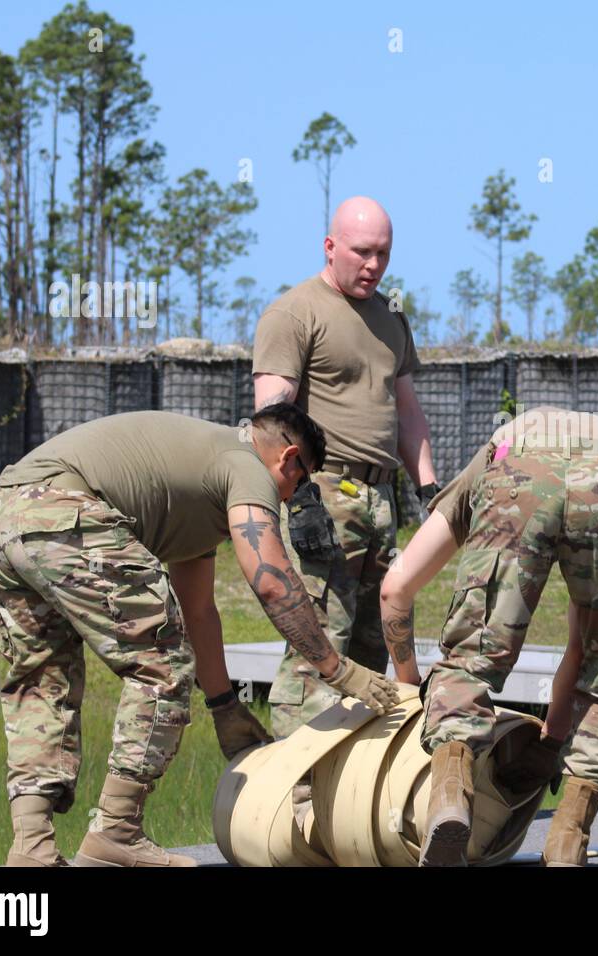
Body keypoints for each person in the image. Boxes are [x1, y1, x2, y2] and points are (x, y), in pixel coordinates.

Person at [0, 403, 398, 868]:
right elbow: (273, 581)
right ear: (289, 457)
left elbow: (199, 612)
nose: (287, 501)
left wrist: (224, 707)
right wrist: (338, 671)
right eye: (299, 484)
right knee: (162, 665)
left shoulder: (199, 490)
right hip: (64, 512)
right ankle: (116, 831)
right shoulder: (247, 464)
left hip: (4, 517)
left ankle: (32, 849)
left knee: (42, 679)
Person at [379, 405, 598, 866]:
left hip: (517, 472)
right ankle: (567, 842)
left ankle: (450, 800)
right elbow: (581, 647)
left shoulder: (490, 461)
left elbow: (395, 588)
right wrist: (552, 740)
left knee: (470, 659)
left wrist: (411, 686)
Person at [252, 195, 438, 741]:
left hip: (381, 497)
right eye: (361, 252)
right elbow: (271, 419)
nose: (373, 265)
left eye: (383, 253)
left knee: (372, 647)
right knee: (318, 640)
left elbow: (407, 412)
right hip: (325, 491)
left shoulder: (391, 317)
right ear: (330, 247)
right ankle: (294, 776)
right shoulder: (294, 312)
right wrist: (300, 499)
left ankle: (348, 776)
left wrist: (430, 491)